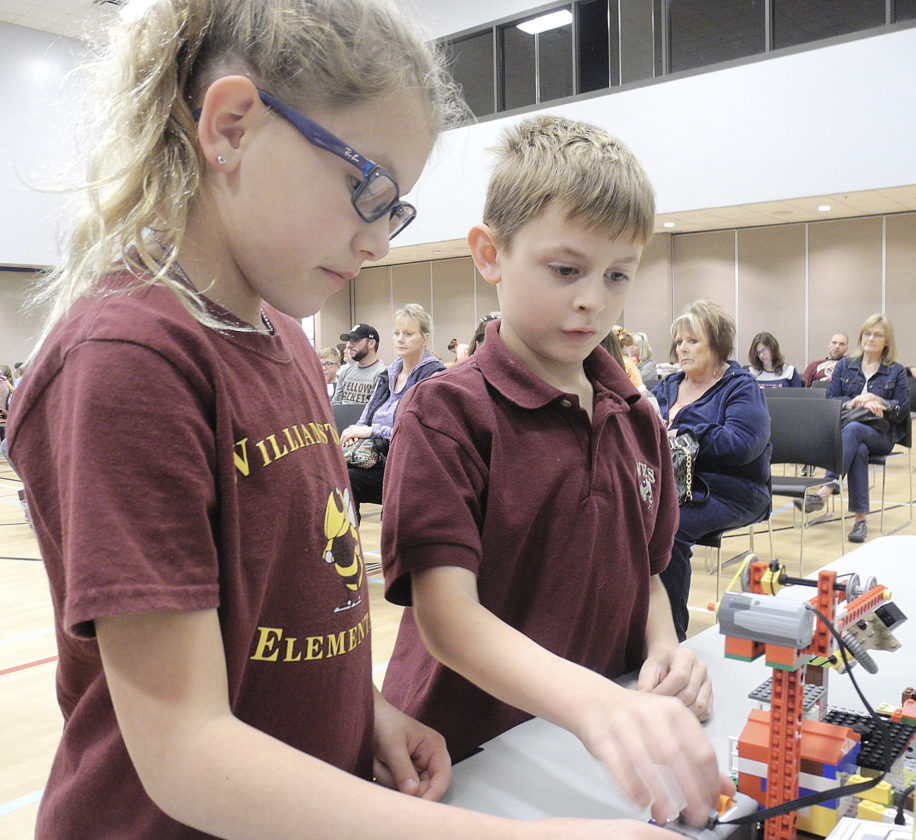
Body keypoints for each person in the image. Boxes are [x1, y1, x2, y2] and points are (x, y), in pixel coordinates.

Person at [1, 3, 633, 838]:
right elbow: (186, 750)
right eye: (366, 188)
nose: (377, 240)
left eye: (394, 208)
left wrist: (365, 712)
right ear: (230, 127)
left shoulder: (283, 338)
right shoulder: (128, 359)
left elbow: (288, 611)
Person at [380, 115, 733, 829]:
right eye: (566, 270)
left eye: (617, 275)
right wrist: (599, 707)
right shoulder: (446, 413)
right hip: (465, 759)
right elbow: (448, 621)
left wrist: (663, 649)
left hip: (591, 751)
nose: (593, 299)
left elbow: (647, 575)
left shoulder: (638, 419)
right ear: (490, 254)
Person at [653, 301, 771, 641]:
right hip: (673, 487)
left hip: (732, 490)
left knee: (668, 529)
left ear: (717, 345)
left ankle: (669, 638)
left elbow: (743, 445)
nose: (682, 349)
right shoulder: (668, 385)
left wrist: (684, 430)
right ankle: (632, 628)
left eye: (692, 341)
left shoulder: (740, 386)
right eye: (679, 342)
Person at [800, 314, 909, 544]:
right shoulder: (844, 365)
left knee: (855, 431)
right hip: (851, 429)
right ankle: (860, 521)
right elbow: (831, 399)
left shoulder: (896, 371)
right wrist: (855, 401)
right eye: (867, 333)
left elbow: (902, 410)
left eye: (877, 335)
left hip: (881, 434)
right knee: (857, 446)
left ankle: (826, 488)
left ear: (887, 341)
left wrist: (877, 400)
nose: (870, 338)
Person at [339, 303, 444, 521]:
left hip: (412, 466)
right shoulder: (388, 375)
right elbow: (364, 419)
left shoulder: (433, 377)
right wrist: (354, 434)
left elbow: (416, 431)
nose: (400, 339)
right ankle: (349, 548)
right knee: (343, 478)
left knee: (383, 482)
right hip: (380, 461)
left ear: (425, 338)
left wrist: (370, 431)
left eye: (408, 334)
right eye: (397, 333)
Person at [331, 323, 386, 405]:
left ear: (371, 343)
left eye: (355, 340)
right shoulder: (345, 371)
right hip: (343, 417)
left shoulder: (382, 373)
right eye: (349, 341)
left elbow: (377, 410)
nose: (349, 345)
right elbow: (336, 404)